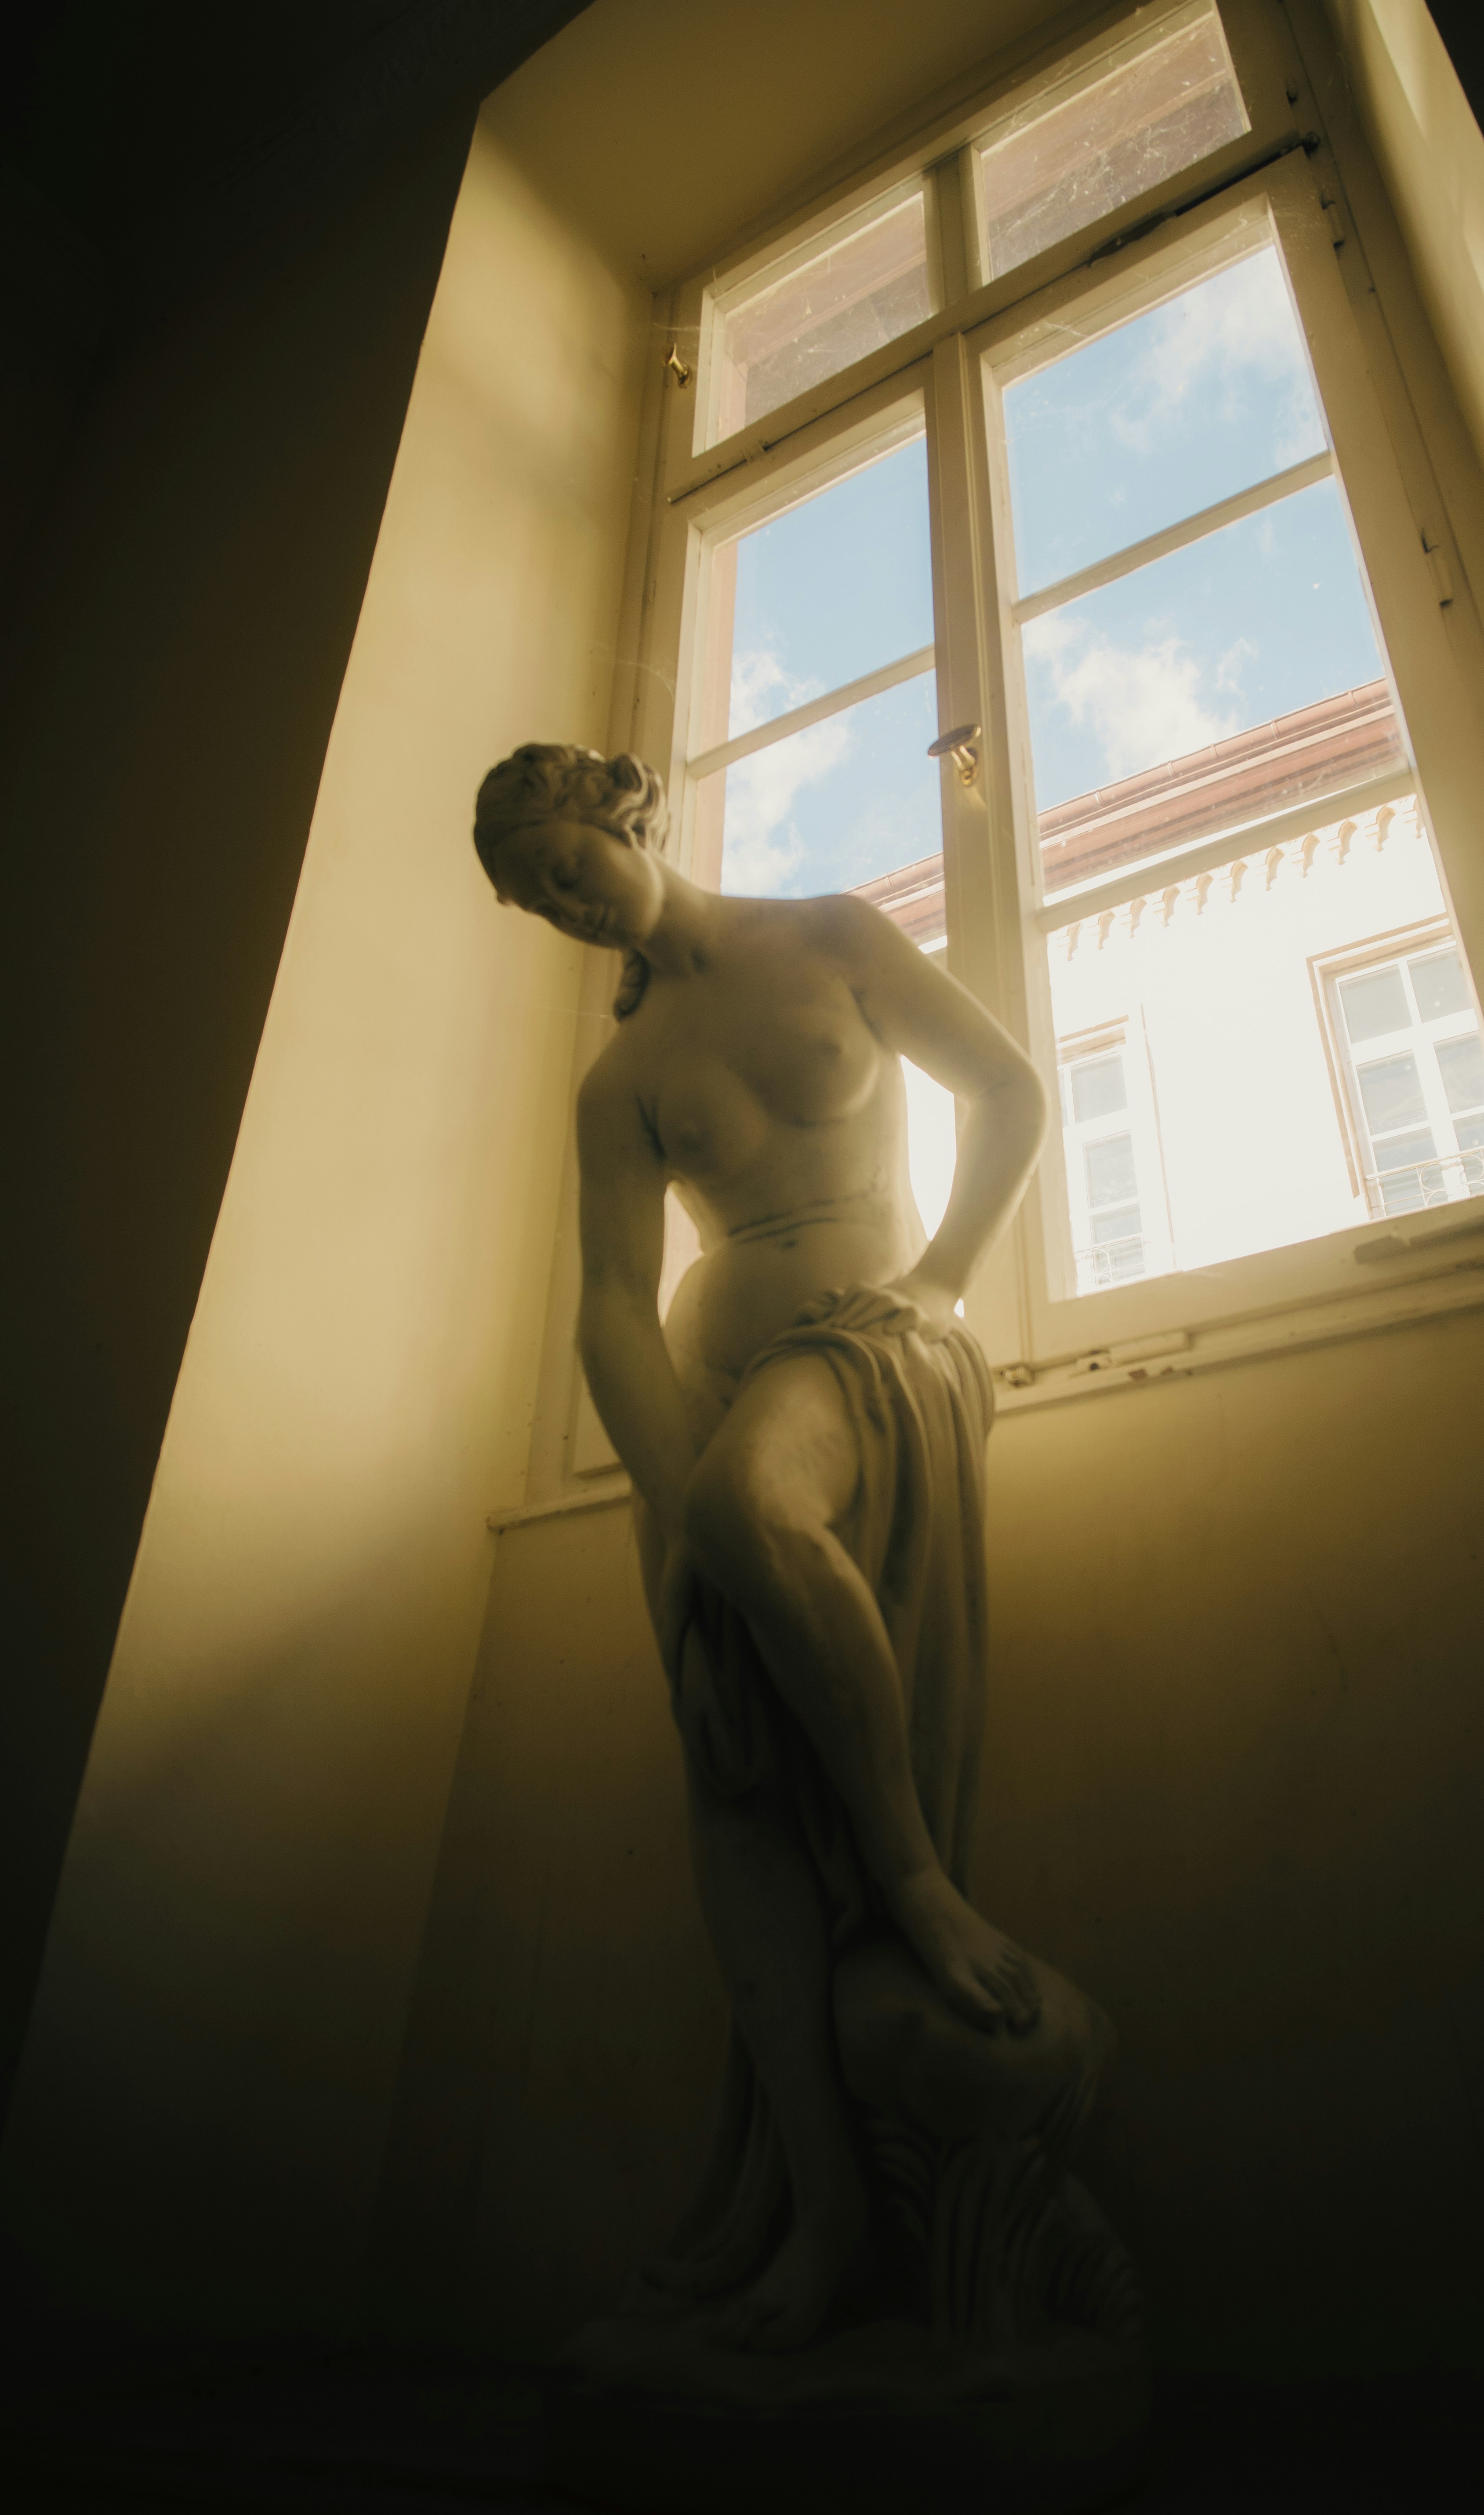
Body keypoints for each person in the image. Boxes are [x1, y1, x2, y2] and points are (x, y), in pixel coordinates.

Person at [474, 741, 1049, 2351]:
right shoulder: (618, 1083)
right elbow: (603, 1304)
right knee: (730, 1772)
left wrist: (940, 1279)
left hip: (879, 1351)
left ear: (618, 809)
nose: (560, 899)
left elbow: (1010, 1094)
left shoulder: (834, 937)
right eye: (531, 895)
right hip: (715, 1408)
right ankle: (824, 2202)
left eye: (559, 856)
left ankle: (916, 1880)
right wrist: (670, 1498)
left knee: (748, 1516)